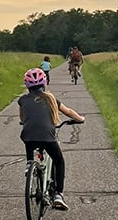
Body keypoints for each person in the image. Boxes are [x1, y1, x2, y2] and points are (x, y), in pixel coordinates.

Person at [18, 68, 85, 210]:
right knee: (59, 160)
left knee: (28, 137)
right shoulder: (50, 98)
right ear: (44, 83)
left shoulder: (22, 100)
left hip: (28, 138)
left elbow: (22, 118)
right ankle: (58, 195)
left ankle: (29, 164)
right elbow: (68, 112)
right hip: (47, 136)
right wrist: (80, 119)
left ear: (27, 85)